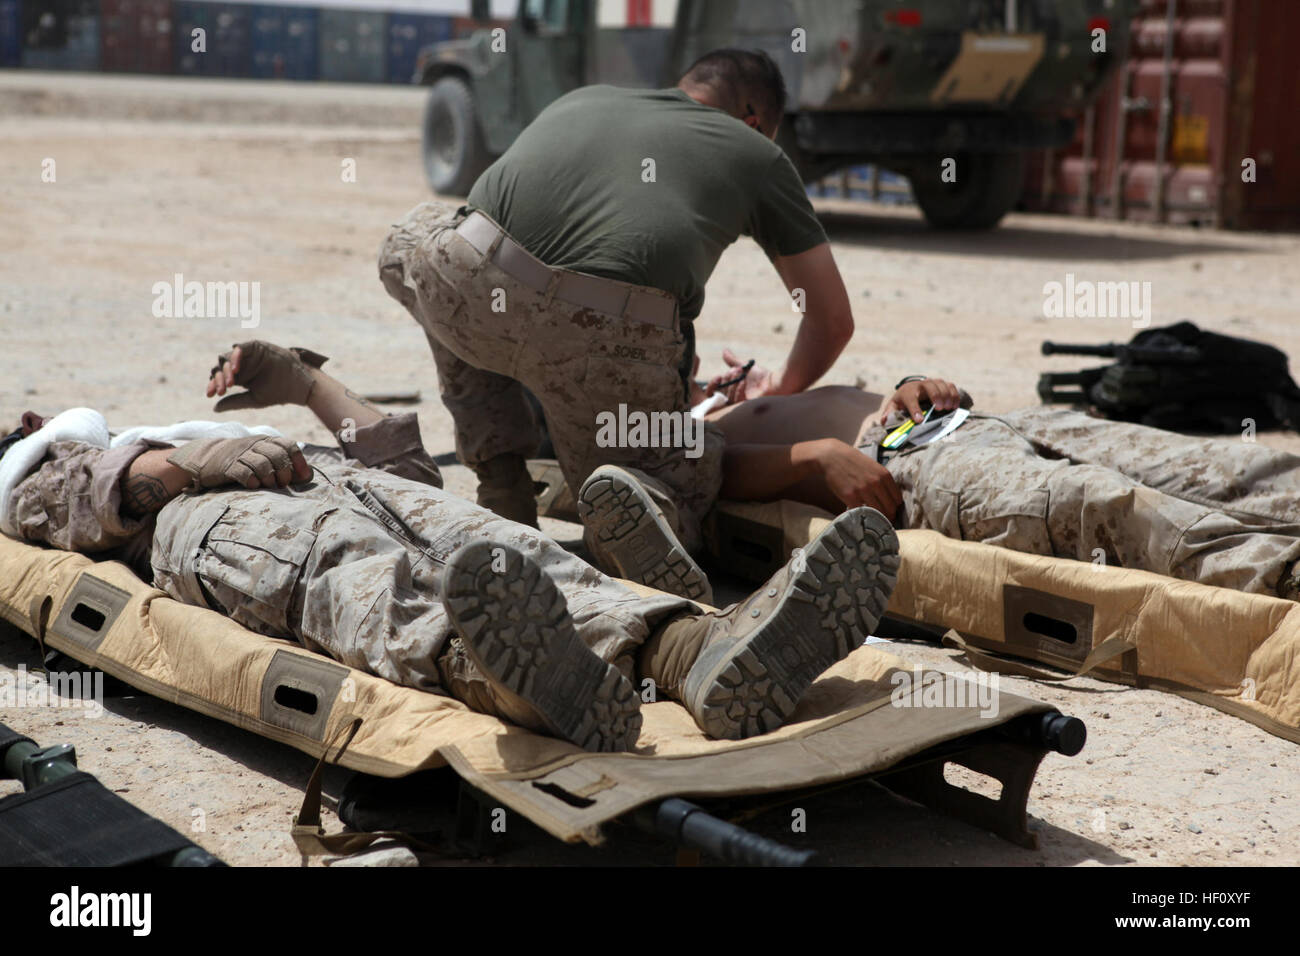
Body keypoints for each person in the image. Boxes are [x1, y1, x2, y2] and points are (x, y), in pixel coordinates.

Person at [0, 342, 901, 749]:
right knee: (357, 581)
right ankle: (508, 675)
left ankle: (695, 652)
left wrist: (305, 384)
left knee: (504, 550)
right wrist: (199, 459)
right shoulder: (35, 466)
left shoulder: (138, 426)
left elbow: (397, 457)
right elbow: (99, 505)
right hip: (212, 521)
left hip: (330, 473)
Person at [379, 49, 878, 605]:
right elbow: (831, 319)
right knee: (675, 472)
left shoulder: (586, 97)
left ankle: (502, 483)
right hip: (598, 340)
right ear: (755, 120)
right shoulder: (758, 153)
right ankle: (644, 505)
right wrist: (779, 387)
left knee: (413, 243)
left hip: (468, 287)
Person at [687, 372, 1300, 600]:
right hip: (913, 469)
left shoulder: (739, 396)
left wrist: (913, 385)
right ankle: (1284, 570)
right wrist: (817, 457)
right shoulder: (675, 436)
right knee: (1100, 505)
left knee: (1208, 462)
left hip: (976, 424)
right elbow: (715, 475)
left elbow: (874, 400)